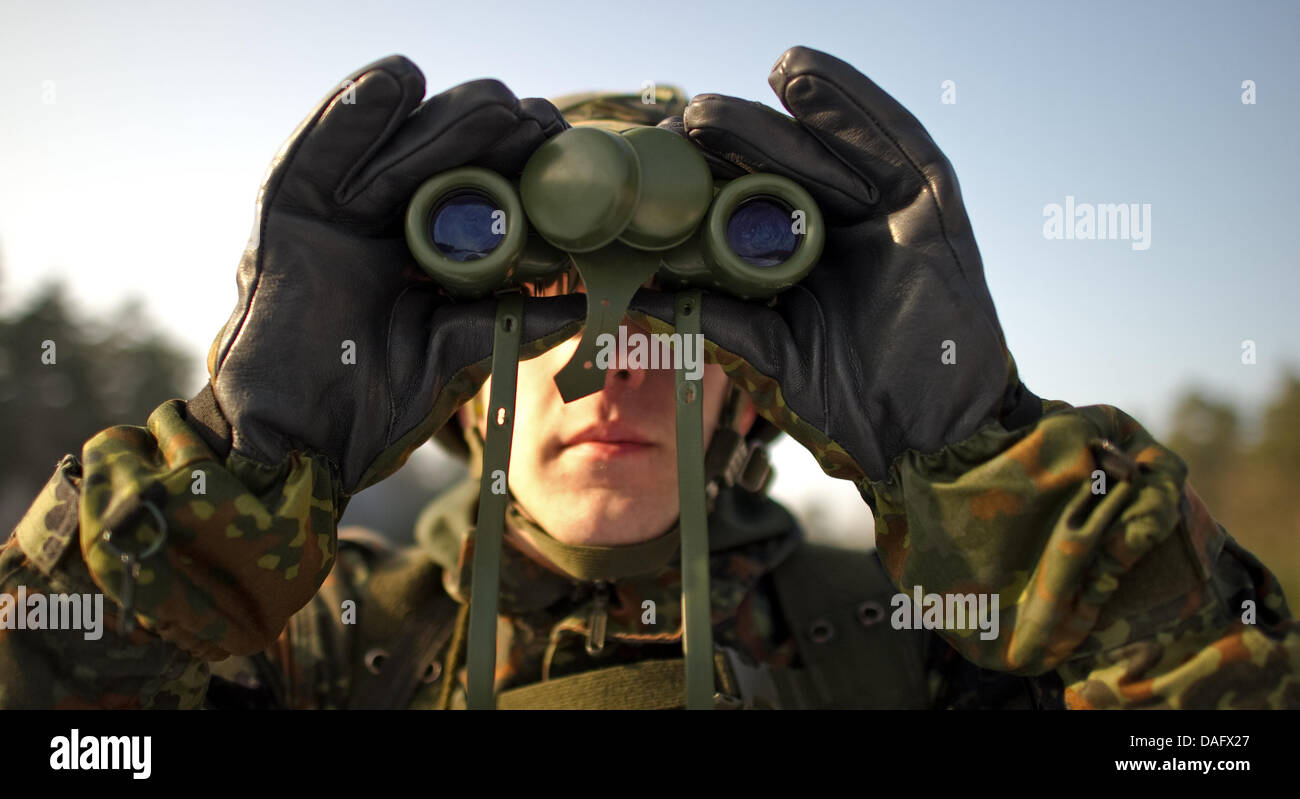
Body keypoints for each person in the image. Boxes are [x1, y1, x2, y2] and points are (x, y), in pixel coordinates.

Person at [2, 46, 1295, 710]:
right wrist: (229, 484)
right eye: (541, 310)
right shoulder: (316, 641)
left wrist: (1003, 476)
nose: (606, 367)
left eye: (678, 316)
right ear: (456, 387)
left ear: (753, 390)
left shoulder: (912, 649)